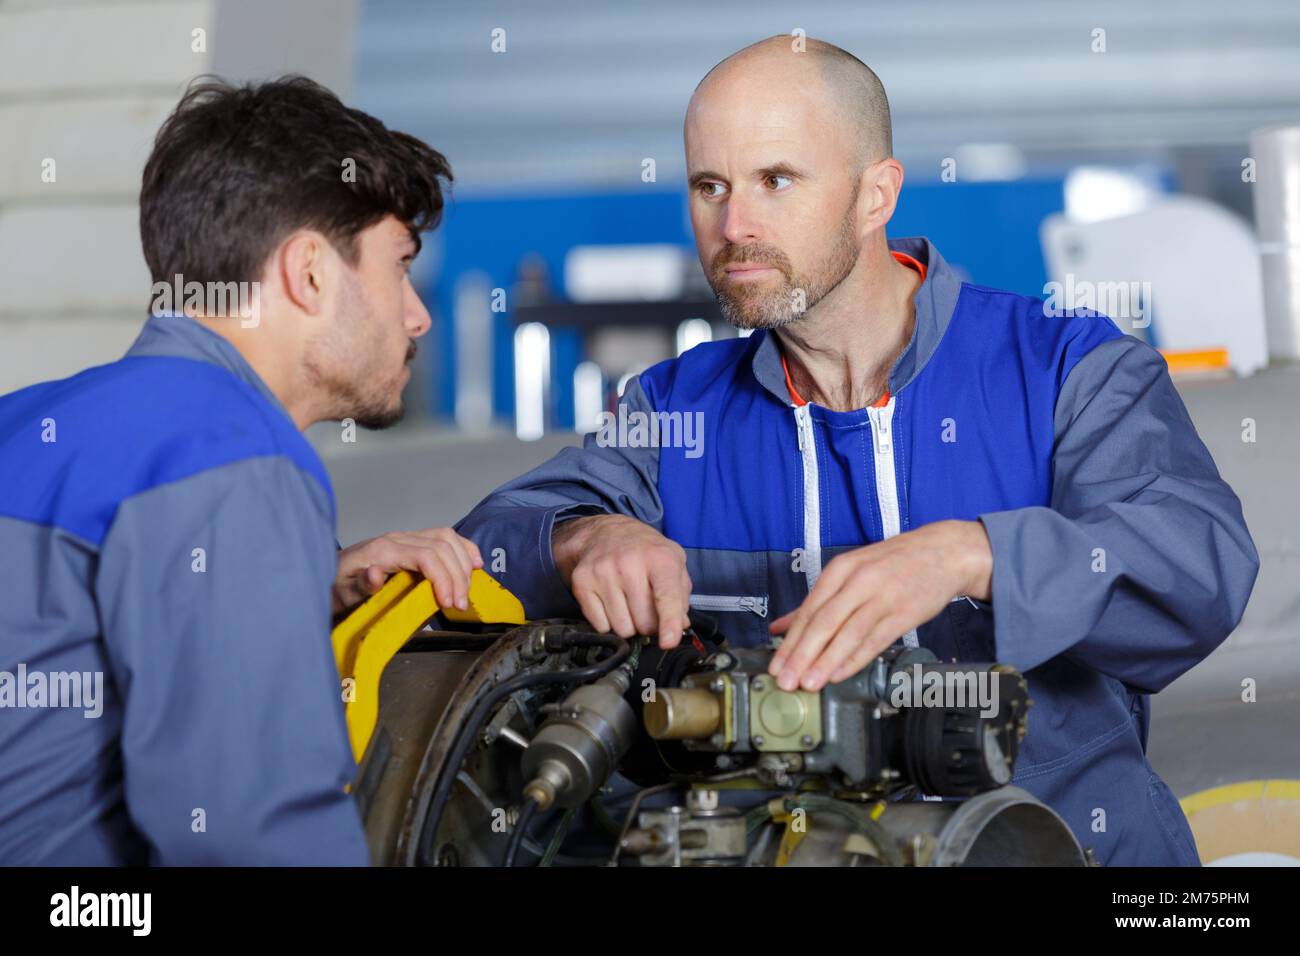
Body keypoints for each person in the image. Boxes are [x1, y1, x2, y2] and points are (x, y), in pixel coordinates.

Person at [456, 37, 1260, 866]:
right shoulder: (672, 409)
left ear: (876, 195)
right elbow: (488, 541)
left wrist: (971, 555)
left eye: (776, 180)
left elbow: (1201, 568)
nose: (735, 226)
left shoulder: (1066, 368)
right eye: (709, 186)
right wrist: (583, 536)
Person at [0, 76, 481, 865]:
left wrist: (302, 584)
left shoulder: (28, 422)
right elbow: (250, 835)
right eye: (400, 267)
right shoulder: (235, 455)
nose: (417, 313)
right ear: (312, 272)